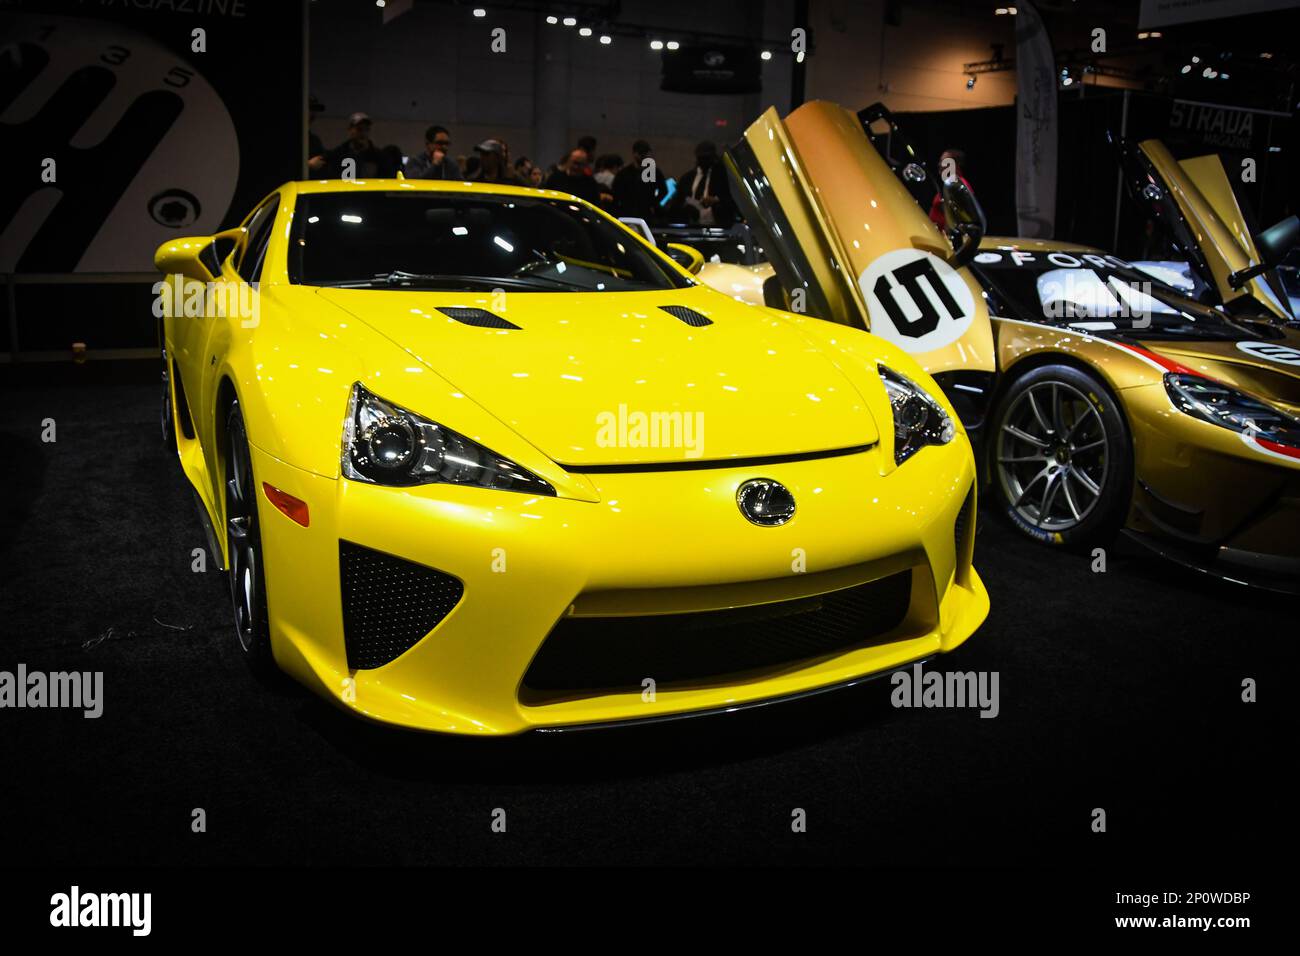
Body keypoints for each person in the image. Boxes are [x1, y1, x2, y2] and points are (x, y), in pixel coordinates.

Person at [670, 140, 735, 226]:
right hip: (691, 223)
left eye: (707, 158)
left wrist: (715, 200)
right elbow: (678, 201)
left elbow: (730, 199)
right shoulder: (687, 178)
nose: (704, 162)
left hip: (717, 222)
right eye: (701, 158)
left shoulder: (722, 176)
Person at [323, 112, 401, 178]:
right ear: (350, 130)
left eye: (366, 130)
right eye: (359, 129)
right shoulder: (338, 154)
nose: (363, 133)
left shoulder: (379, 157)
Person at [613, 140, 669, 223]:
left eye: (646, 153)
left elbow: (664, 190)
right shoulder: (625, 173)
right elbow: (616, 192)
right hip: (629, 212)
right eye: (642, 153)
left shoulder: (653, 172)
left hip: (644, 212)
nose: (644, 156)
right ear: (635, 153)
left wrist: (653, 203)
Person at [930, 148, 973, 228]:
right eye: (940, 161)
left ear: (956, 165)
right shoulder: (949, 185)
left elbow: (959, 218)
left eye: (945, 162)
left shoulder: (958, 186)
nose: (940, 164)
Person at [307, 94, 327, 174]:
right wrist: (308, 165)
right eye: (310, 109)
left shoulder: (314, 140)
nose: (313, 114)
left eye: (315, 110)